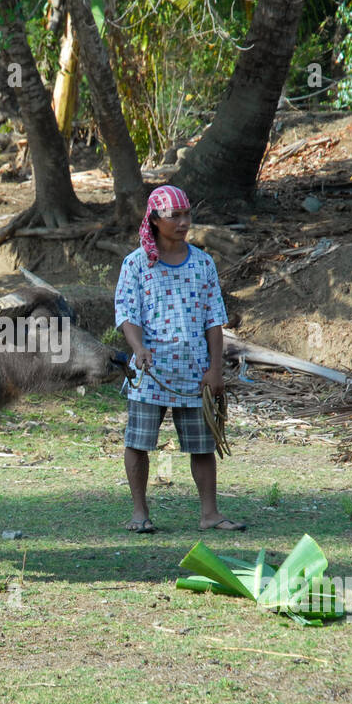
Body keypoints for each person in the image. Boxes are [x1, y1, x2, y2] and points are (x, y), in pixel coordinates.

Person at [113, 185, 245, 533]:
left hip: (195, 372)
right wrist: (138, 348)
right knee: (137, 442)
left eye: (187, 214)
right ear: (155, 220)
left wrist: (215, 370)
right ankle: (140, 513)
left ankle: (210, 514)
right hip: (149, 371)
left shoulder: (203, 263)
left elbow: (214, 320)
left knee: (203, 446)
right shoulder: (135, 264)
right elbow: (127, 314)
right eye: (176, 216)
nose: (184, 222)